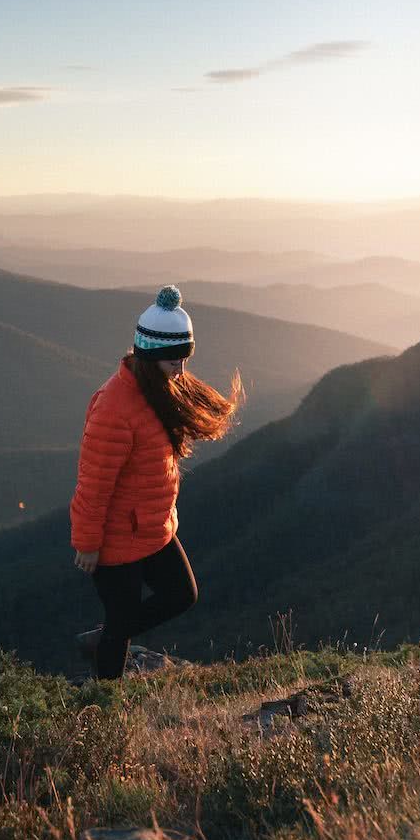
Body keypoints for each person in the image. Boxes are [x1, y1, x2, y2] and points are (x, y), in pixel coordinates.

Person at [70, 285, 243, 679]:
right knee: (123, 626)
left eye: (184, 360)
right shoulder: (114, 408)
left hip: (153, 528)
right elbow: (93, 483)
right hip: (116, 540)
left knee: (182, 595)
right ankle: (106, 710)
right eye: (172, 361)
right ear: (148, 356)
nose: (180, 372)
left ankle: (105, 638)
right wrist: (87, 544)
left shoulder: (158, 389)